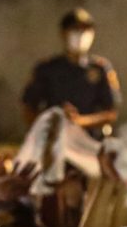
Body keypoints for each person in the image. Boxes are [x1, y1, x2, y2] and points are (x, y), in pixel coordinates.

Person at [21, 7, 120, 136]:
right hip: (55, 137)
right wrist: (50, 126)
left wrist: (80, 121)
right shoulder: (47, 68)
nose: (81, 35)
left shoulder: (100, 68)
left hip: (89, 140)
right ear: (63, 33)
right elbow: (29, 107)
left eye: (86, 30)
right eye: (75, 30)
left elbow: (111, 113)